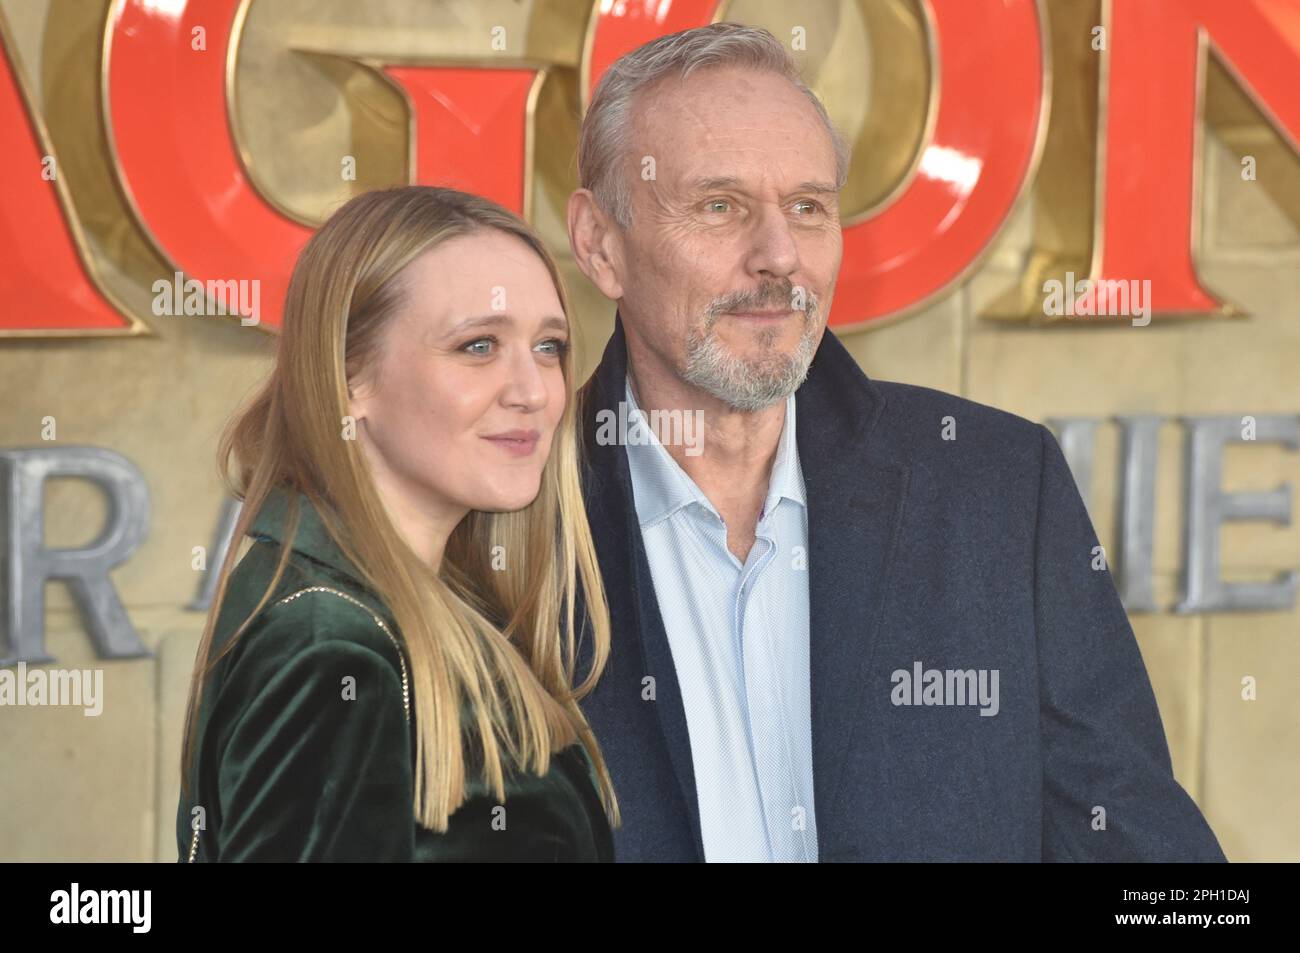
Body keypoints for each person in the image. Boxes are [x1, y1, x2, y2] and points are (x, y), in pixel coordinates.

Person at [565, 22, 1226, 862]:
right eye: (720, 206)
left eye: (807, 207)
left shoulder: (997, 492)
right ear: (600, 245)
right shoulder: (506, 524)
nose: (778, 256)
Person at [176, 185, 618, 861]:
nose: (533, 390)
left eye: (549, 346)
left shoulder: (408, 603)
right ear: (351, 376)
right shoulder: (332, 647)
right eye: (478, 346)